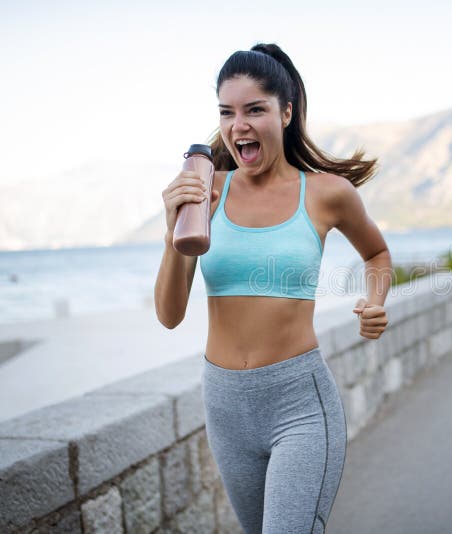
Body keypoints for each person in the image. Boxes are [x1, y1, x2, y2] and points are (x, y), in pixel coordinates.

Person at [155, 43, 391, 534]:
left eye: (254, 110)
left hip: (300, 404)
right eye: (227, 112)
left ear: (285, 112)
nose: (238, 125)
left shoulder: (326, 192)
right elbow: (170, 314)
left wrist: (374, 300)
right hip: (224, 406)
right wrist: (172, 229)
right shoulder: (207, 194)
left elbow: (377, 255)